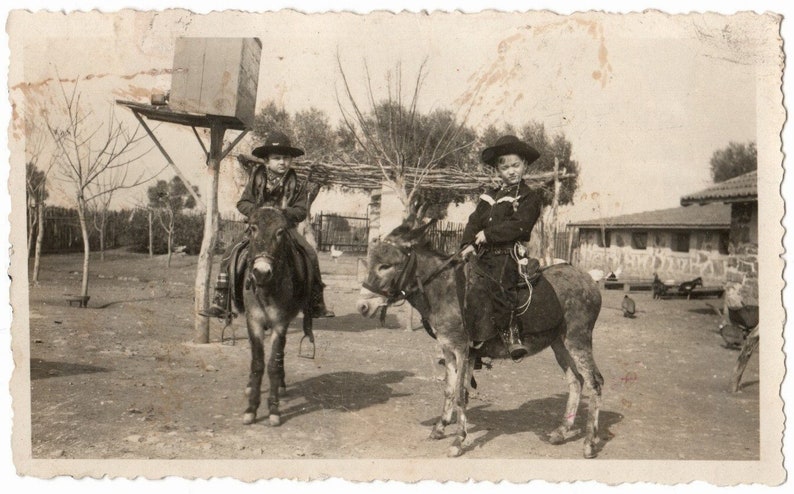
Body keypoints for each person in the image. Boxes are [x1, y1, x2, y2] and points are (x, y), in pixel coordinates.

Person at [199, 130, 335, 319]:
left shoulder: (297, 184)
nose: (282, 162)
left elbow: (301, 210)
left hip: (284, 230)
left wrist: (285, 214)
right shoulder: (256, 179)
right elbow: (242, 203)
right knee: (229, 253)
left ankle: (316, 302)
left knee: (310, 254)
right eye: (277, 158)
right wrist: (257, 212)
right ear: (267, 161)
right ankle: (221, 300)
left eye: (286, 158)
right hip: (258, 230)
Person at [460, 135, 543, 360]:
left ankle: (510, 334)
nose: (511, 171)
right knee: (460, 283)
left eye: (516, 165)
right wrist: (468, 244)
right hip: (482, 253)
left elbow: (520, 225)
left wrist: (488, 234)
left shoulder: (528, 197)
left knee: (500, 285)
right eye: (504, 167)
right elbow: (473, 221)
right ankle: (470, 338)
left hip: (506, 254)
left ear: (524, 165)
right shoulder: (489, 195)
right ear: (498, 170)